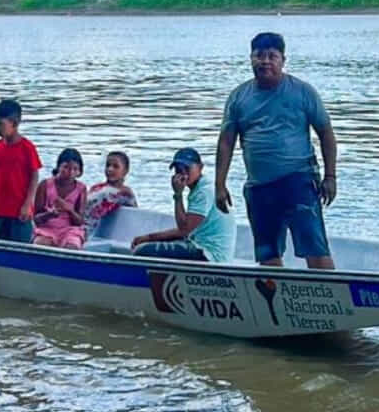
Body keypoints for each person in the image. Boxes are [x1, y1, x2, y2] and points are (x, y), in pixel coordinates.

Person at [215, 32, 338, 269]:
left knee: (315, 248)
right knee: (267, 253)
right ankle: (275, 300)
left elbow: (326, 133)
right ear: (251, 59)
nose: (265, 61)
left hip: (299, 180)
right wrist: (220, 184)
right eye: (259, 56)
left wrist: (330, 176)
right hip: (259, 186)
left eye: (272, 56)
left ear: (283, 60)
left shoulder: (303, 92)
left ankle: (331, 299)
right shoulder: (239, 97)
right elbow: (226, 142)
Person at [132, 148, 235, 263]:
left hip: (210, 253)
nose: (183, 173)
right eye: (178, 169)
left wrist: (178, 195)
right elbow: (186, 229)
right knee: (156, 244)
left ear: (200, 168)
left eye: (187, 168)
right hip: (201, 245)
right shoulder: (202, 187)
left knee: (143, 250)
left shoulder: (203, 192)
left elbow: (184, 230)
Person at [0, 99, 43, 242]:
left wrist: (28, 204)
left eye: (0, 124)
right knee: (3, 243)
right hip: (1, 208)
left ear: (14, 123)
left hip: (20, 209)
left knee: (20, 247)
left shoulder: (27, 148)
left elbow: (34, 176)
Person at [33, 148, 87, 249]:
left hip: (70, 230)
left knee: (72, 247)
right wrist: (50, 214)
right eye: (66, 167)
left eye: (75, 169)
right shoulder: (45, 185)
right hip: (47, 229)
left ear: (80, 171)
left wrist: (69, 209)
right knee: (40, 244)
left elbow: (79, 221)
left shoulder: (81, 189)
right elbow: (36, 219)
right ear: (58, 167)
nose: (70, 172)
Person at [83, 150, 136, 238]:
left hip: (89, 232)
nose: (110, 169)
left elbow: (134, 214)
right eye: (108, 165)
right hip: (82, 226)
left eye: (116, 166)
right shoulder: (96, 187)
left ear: (125, 171)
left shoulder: (125, 193)